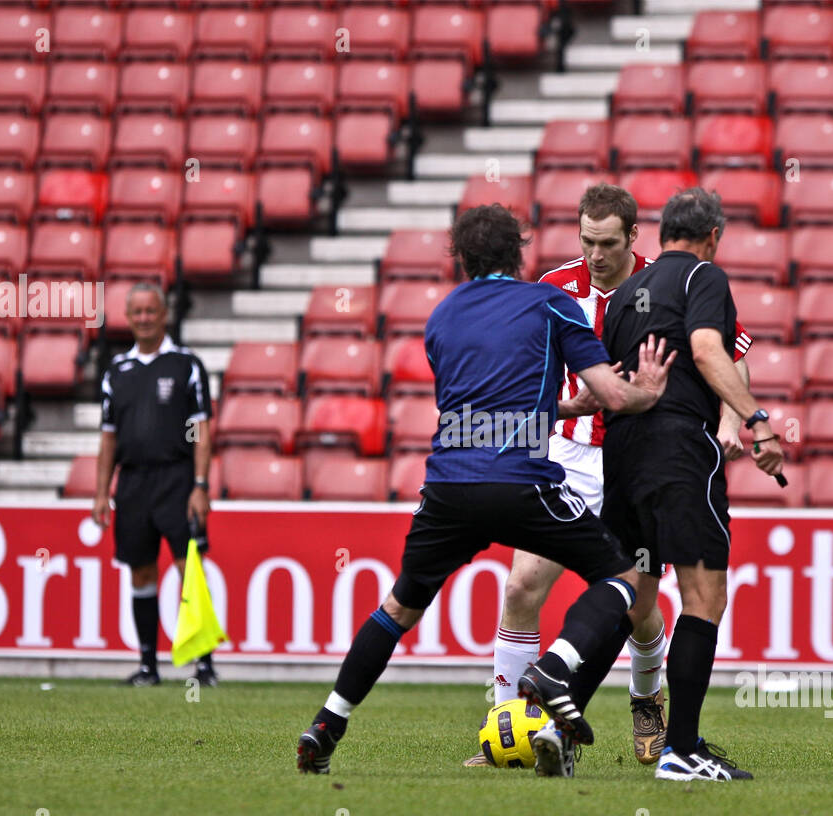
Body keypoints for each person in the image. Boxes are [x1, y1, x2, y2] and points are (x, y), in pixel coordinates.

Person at [297, 204, 675, 776]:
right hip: (526, 479)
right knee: (622, 580)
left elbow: (488, 403)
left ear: (463, 259)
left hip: (450, 486)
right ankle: (548, 677)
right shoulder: (549, 300)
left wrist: (560, 406)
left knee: (398, 607)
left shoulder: (441, 317)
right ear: (519, 252)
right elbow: (616, 397)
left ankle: (328, 721)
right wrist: (645, 390)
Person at [468, 183, 754, 767]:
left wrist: (731, 418)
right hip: (569, 456)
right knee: (523, 586)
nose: (596, 254)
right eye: (586, 241)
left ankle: (646, 699)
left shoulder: (663, 282)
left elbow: (730, 350)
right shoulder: (553, 289)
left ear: (632, 238)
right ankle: (507, 728)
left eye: (606, 243)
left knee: (638, 601)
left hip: (631, 455)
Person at [91, 283, 219, 687]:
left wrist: (200, 483)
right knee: (141, 572)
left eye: (151, 311)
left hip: (177, 480)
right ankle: (148, 666)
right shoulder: (117, 371)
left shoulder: (186, 365)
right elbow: (108, 436)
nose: (145, 318)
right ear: (127, 318)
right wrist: (100, 492)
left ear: (164, 315)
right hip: (131, 483)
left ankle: (203, 665)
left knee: (189, 569)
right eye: (137, 312)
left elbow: (200, 428)